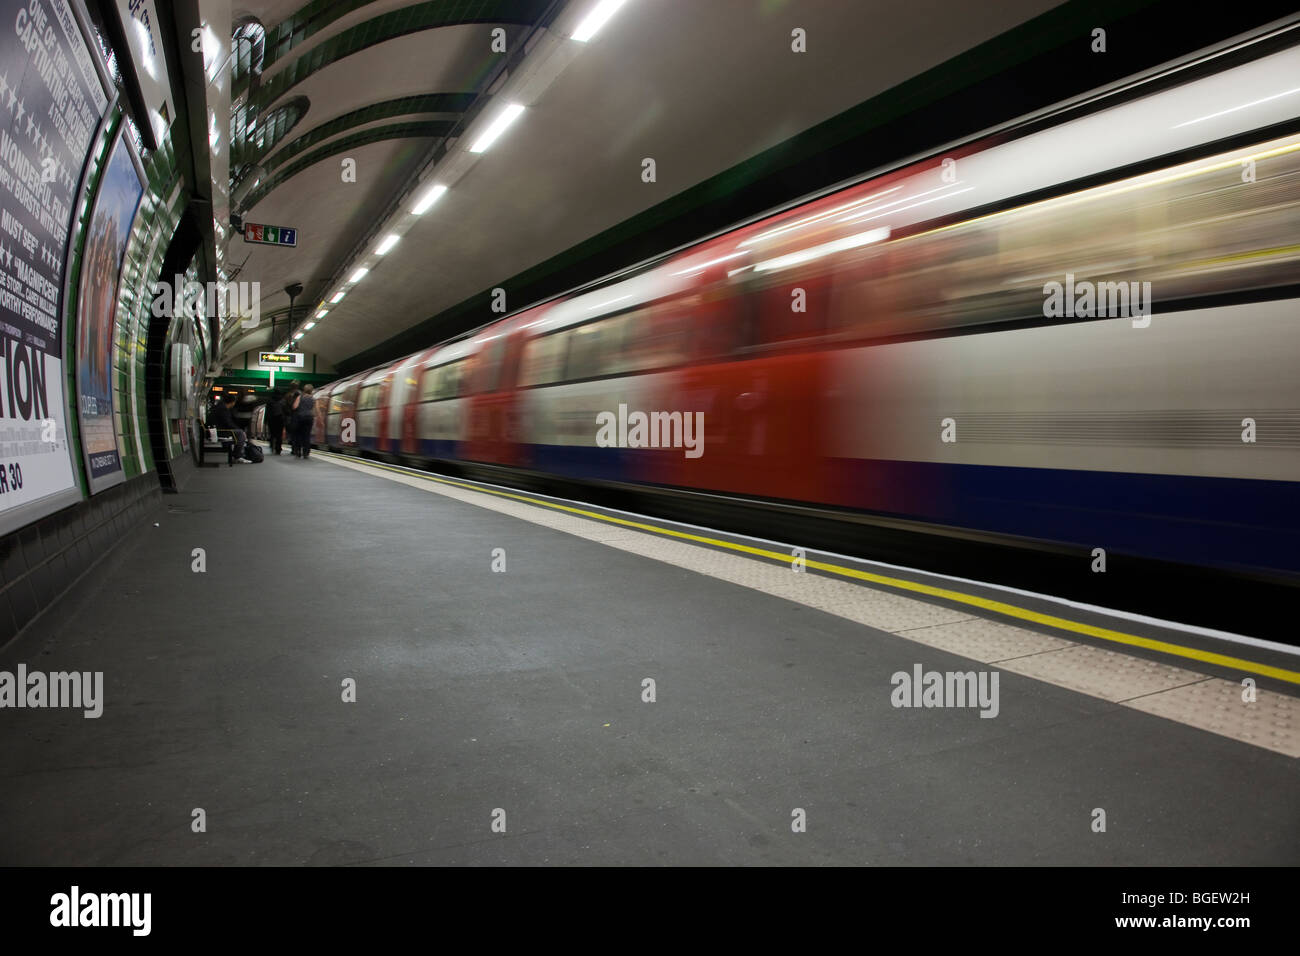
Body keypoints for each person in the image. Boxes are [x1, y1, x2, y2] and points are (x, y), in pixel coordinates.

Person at [210, 393, 246, 461]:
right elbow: (228, 423)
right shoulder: (223, 409)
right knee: (241, 434)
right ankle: (237, 455)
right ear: (232, 402)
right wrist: (240, 430)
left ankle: (230, 450)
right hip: (218, 431)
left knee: (239, 432)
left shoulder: (220, 407)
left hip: (215, 430)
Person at [293, 384, 316, 459]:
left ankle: (298, 451)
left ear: (304, 390)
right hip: (309, 418)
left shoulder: (300, 397)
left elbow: (294, 406)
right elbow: (316, 410)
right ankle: (306, 453)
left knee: (299, 435)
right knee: (307, 435)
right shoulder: (313, 399)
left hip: (300, 417)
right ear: (311, 390)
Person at [264, 389, 286, 455]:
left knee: (272, 434)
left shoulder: (269, 400)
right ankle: (278, 449)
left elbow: (267, 411)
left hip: (272, 419)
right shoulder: (283, 401)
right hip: (280, 420)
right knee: (279, 435)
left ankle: (272, 445)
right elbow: (285, 411)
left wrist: (265, 420)